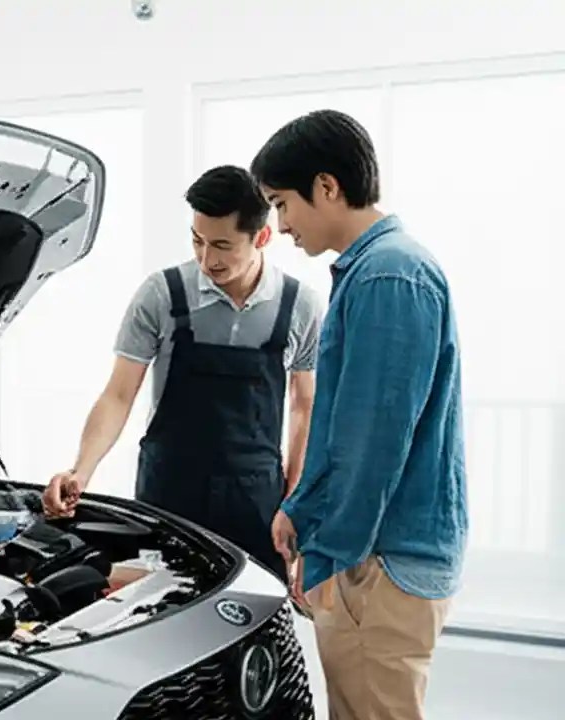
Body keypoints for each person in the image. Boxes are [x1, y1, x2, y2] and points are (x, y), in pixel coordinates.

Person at [252, 109, 467, 720]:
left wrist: (329, 554)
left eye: (282, 203)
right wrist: (301, 506)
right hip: (371, 553)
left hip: (378, 560)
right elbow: (343, 421)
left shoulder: (389, 276)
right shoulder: (372, 270)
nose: (281, 225)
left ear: (326, 186)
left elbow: (374, 445)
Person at [42, 165, 324, 581]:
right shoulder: (161, 295)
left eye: (223, 245)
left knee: (255, 612)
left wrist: (294, 498)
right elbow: (118, 395)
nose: (207, 259)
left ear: (262, 237)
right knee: (159, 608)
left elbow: (304, 405)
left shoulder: (301, 305)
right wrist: (81, 470)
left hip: (256, 500)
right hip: (169, 495)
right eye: (197, 240)